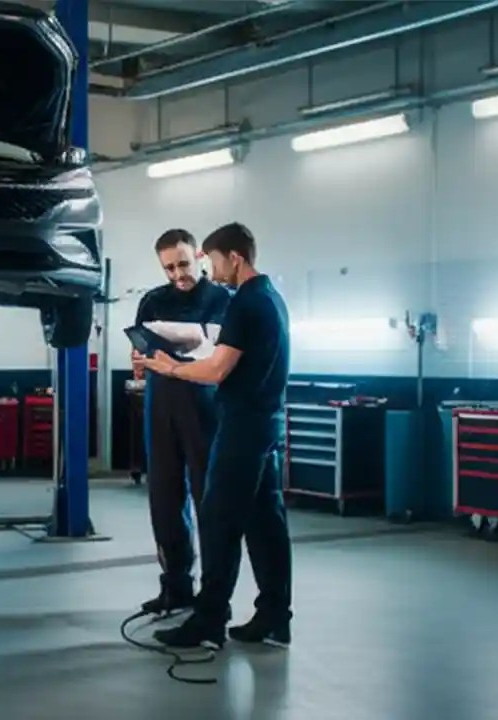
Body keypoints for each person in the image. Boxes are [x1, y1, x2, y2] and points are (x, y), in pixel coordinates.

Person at [142, 222, 293, 650]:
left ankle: (208, 620)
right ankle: (274, 616)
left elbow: (216, 369)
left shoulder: (244, 303)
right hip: (267, 423)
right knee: (266, 523)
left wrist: (170, 368)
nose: (212, 268)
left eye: (213, 259)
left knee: (217, 520)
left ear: (235, 257)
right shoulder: (273, 298)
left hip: (242, 426)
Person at [131, 229, 231, 615]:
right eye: (169, 267)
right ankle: (175, 586)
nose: (178, 274)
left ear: (200, 256)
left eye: (184, 264)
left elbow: (224, 356)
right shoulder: (153, 301)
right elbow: (139, 352)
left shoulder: (222, 299)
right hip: (160, 406)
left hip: (206, 407)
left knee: (209, 500)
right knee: (163, 498)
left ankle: (213, 594)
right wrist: (139, 361)